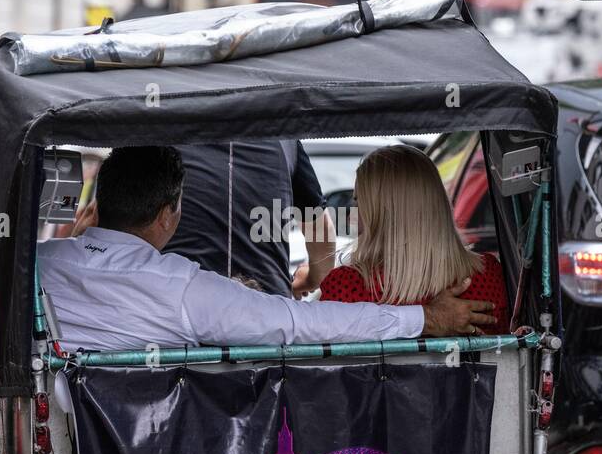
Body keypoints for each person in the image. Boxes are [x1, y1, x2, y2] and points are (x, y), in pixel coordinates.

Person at [37, 146, 494, 351]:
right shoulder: (186, 290)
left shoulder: (39, 268)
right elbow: (299, 325)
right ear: (168, 215)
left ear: (98, 206)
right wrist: (425, 318)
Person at [319, 144, 509, 333]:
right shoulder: (488, 274)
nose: (352, 214)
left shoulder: (346, 287)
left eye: (358, 201)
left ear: (377, 212)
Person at [163, 141, 335, 298]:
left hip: (178, 301)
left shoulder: (163, 127)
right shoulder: (283, 137)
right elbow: (319, 230)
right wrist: (312, 279)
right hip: (264, 304)